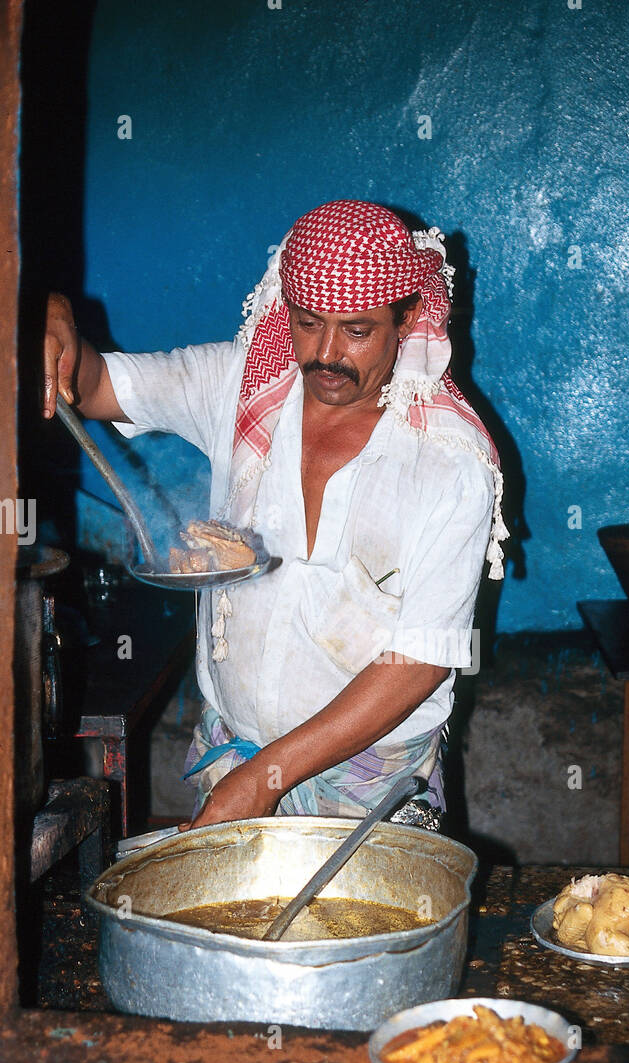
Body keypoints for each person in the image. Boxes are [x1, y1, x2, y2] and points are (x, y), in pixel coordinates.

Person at [42, 199, 508, 830]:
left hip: (369, 786)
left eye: (357, 330)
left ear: (405, 319)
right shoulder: (243, 388)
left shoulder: (450, 461)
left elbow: (421, 662)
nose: (326, 354)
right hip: (233, 753)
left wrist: (267, 778)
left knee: (358, 929)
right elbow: (93, 387)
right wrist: (55, 316)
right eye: (308, 322)